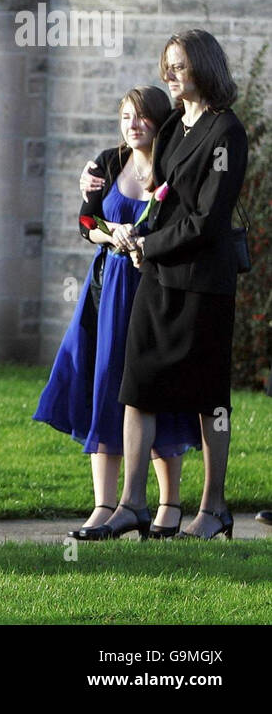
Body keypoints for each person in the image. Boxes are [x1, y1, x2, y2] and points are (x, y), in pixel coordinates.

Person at [87, 29, 247, 541]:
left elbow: (207, 219)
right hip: (156, 277)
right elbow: (149, 178)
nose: (169, 75)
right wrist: (93, 175)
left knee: (210, 401)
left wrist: (149, 245)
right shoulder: (176, 123)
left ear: (203, 66)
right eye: (167, 65)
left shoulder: (227, 133)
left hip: (204, 284)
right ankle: (133, 503)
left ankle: (213, 508)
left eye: (178, 65)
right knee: (139, 387)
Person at [33, 86, 200, 539]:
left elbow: (182, 223)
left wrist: (140, 239)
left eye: (143, 116)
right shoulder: (107, 163)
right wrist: (113, 233)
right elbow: (86, 222)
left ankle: (168, 506)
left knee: (154, 390)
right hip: (107, 291)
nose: (133, 124)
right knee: (104, 383)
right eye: (126, 116)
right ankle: (104, 505)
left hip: (156, 288)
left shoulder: (175, 167)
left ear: (161, 122)